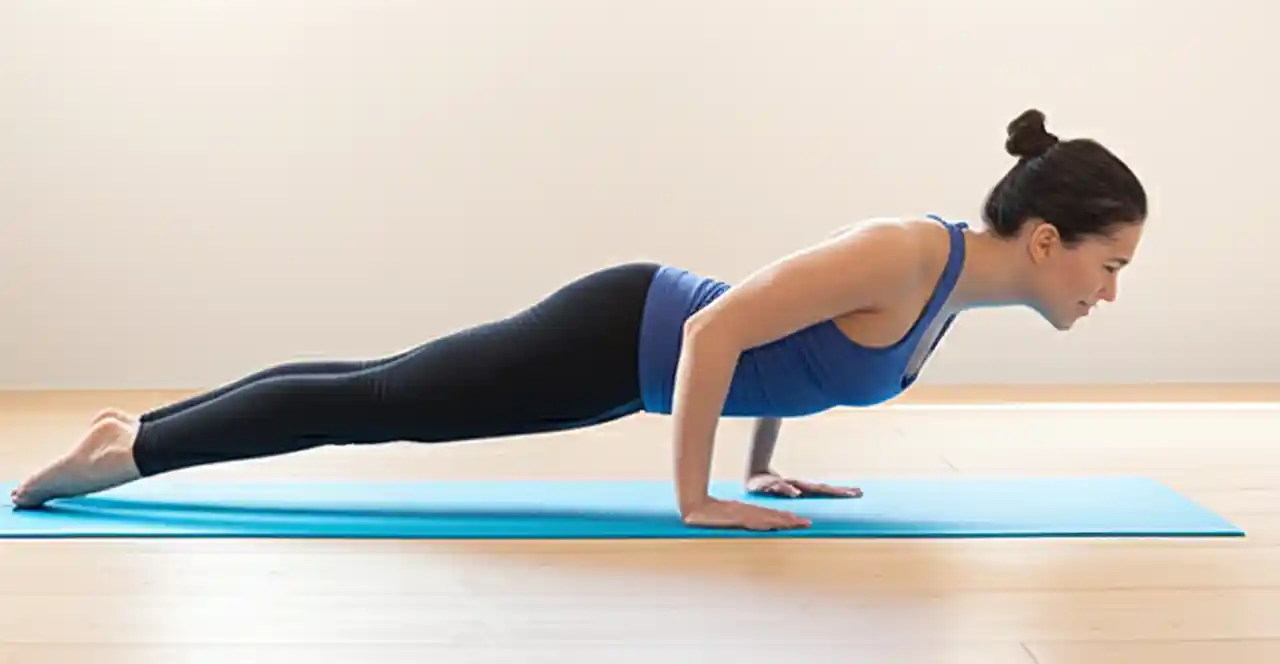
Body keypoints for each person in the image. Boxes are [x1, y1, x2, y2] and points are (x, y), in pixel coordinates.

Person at [10, 109, 1147, 531]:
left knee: (382, 383)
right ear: (1046, 239)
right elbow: (717, 332)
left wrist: (764, 470)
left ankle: (138, 425)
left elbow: (787, 352)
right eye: (1108, 265)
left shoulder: (947, 293)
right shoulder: (906, 250)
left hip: (620, 362)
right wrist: (695, 499)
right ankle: (137, 452)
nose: (1108, 292)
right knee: (379, 404)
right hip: (619, 334)